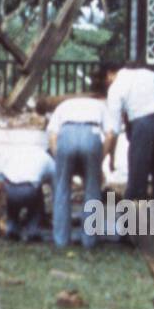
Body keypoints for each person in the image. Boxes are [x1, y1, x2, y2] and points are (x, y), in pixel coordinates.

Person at [101, 63, 154, 201]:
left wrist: (110, 157)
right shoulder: (149, 74)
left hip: (142, 126)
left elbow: (113, 129)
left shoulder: (116, 87)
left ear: (109, 74)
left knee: (138, 175)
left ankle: (133, 218)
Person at [47, 92, 107, 248]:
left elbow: (52, 135)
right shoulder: (100, 105)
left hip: (66, 135)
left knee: (61, 189)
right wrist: (102, 158)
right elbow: (111, 134)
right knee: (92, 190)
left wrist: (58, 157)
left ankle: (61, 240)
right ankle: (89, 240)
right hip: (91, 134)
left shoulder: (63, 106)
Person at [0, 147, 53, 241]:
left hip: (10, 191)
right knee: (37, 200)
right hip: (29, 191)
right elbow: (56, 180)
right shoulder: (46, 158)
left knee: (12, 207)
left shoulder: (11, 151)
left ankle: (12, 229)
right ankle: (33, 231)